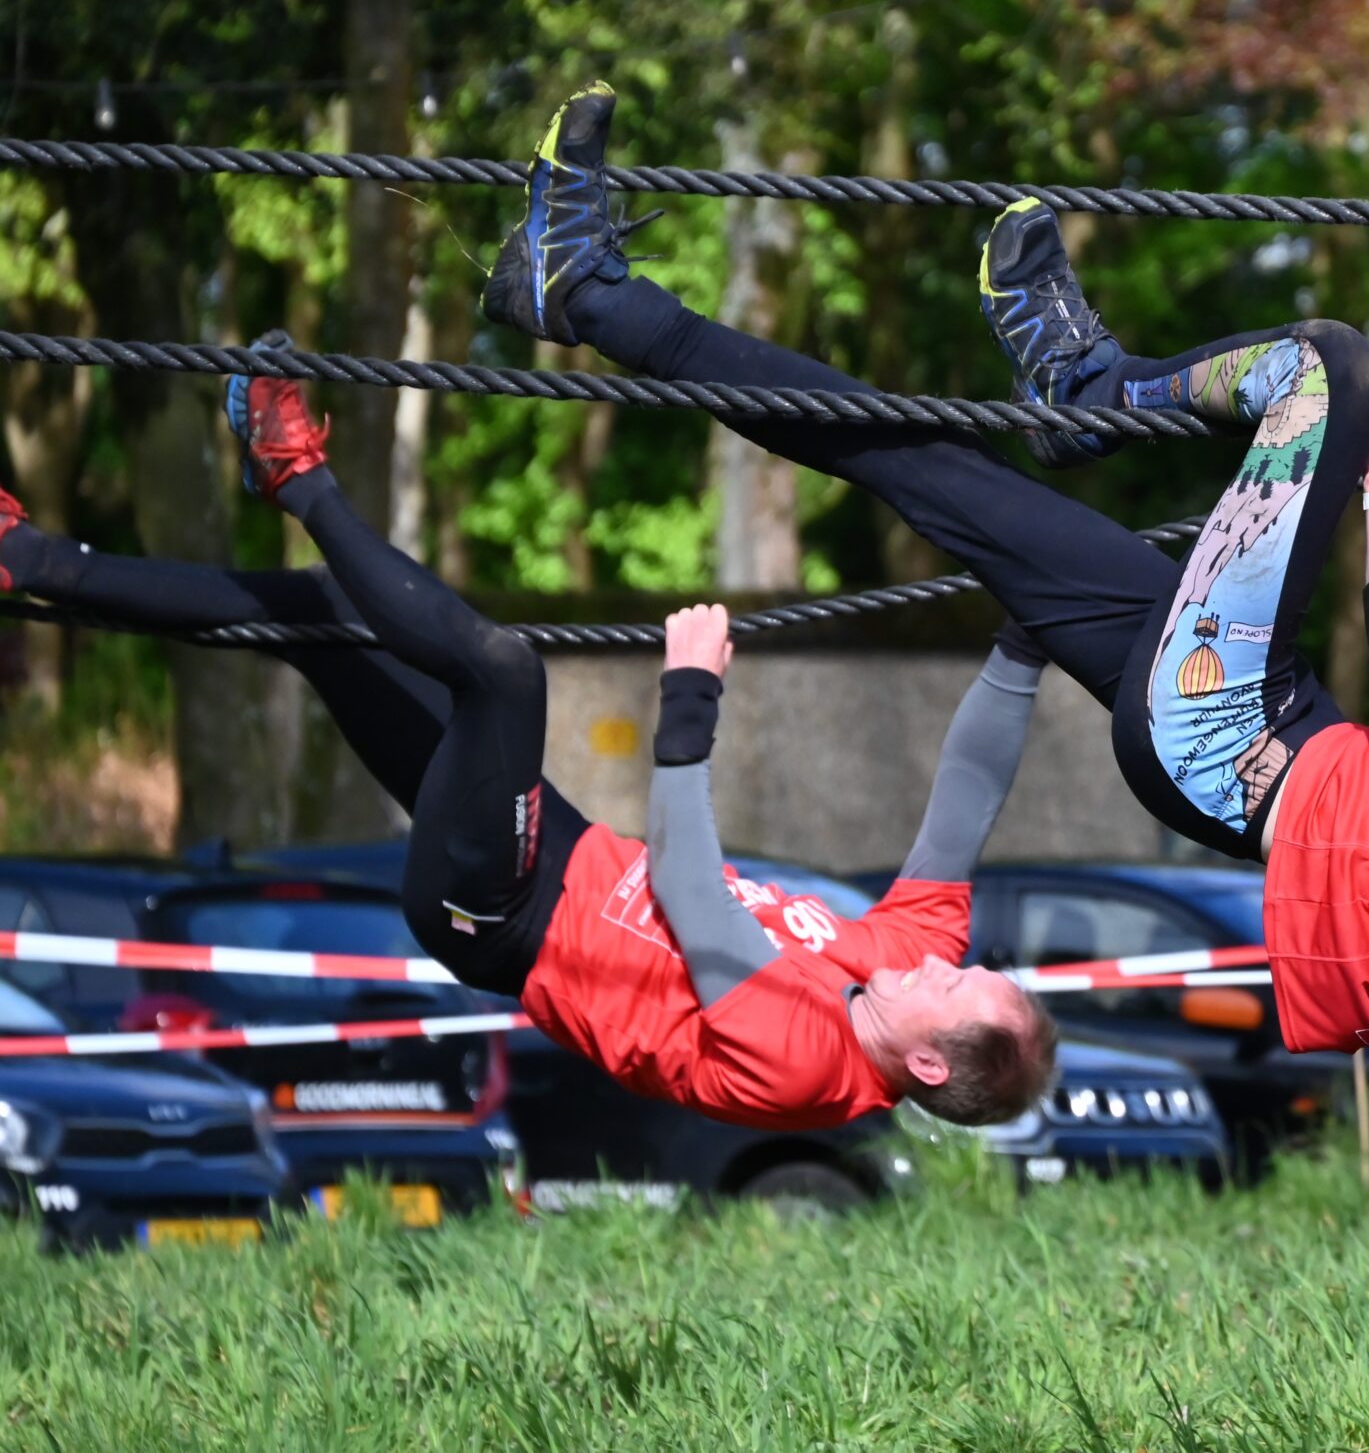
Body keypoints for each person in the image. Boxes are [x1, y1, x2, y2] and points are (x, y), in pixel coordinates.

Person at [476, 82, 1369, 1050]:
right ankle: (587, 291)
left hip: (1223, 743)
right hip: (1268, 714)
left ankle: (1094, 391)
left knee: (1331, 373)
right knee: (914, 462)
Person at [0, 384, 1057, 1130]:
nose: (948, 960)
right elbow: (964, 801)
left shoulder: (809, 1066)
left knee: (504, 672)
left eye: (962, 988)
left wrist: (688, 697)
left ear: (927, 1059)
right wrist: (1028, 632)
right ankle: (32, 561)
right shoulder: (894, 957)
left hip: (501, 913)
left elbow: (693, 896)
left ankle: (297, 476)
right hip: (558, 847)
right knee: (318, 617)